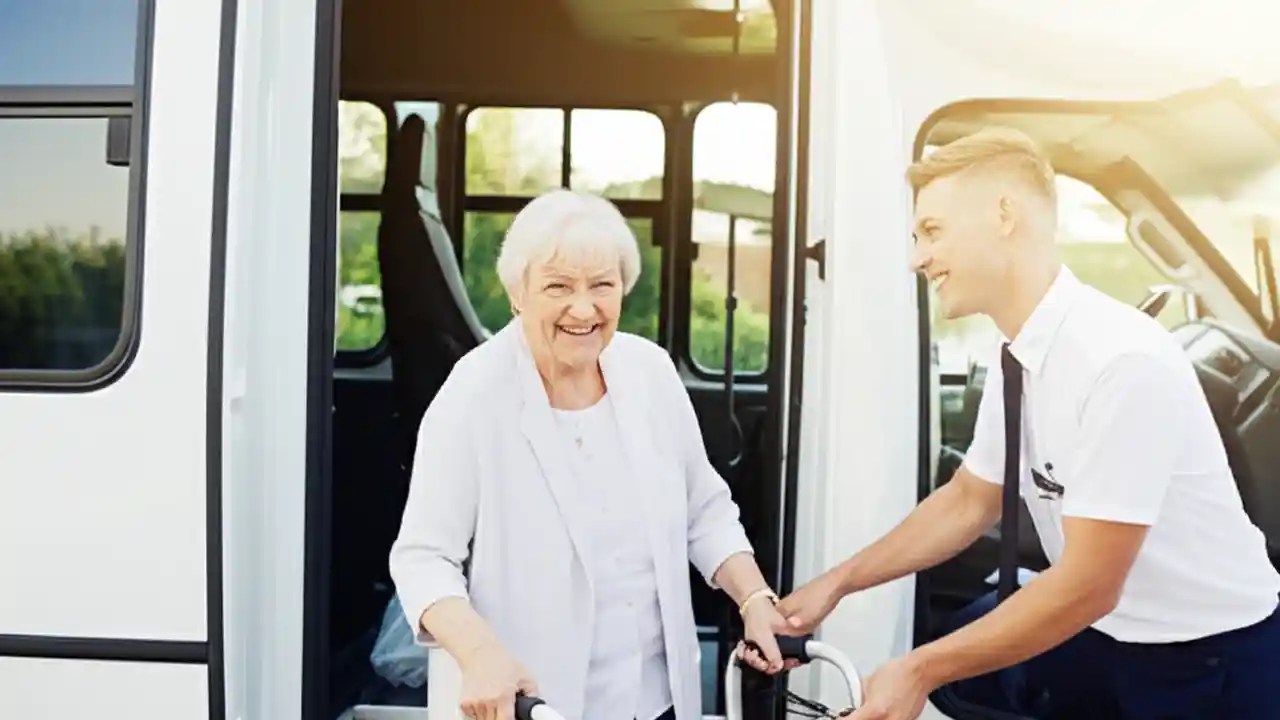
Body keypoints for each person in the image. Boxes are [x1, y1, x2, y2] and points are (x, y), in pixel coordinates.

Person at [776, 127, 1280, 719]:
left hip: (1208, 662)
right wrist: (836, 585)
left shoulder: (1120, 361)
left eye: (932, 231)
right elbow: (971, 498)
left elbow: (1090, 584)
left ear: (1004, 215)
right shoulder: (1020, 349)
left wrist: (920, 669)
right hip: (1112, 637)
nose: (917, 258)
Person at [389, 188, 790, 720]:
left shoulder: (650, 373)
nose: (584, 308)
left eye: (603, 285)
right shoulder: (474, 393)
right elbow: (423, 559)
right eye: (559, 286)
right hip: (534, 703)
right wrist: (481, 655)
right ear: (518, 294)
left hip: (657, 701)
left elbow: (705, 512)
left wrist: (754, 598)